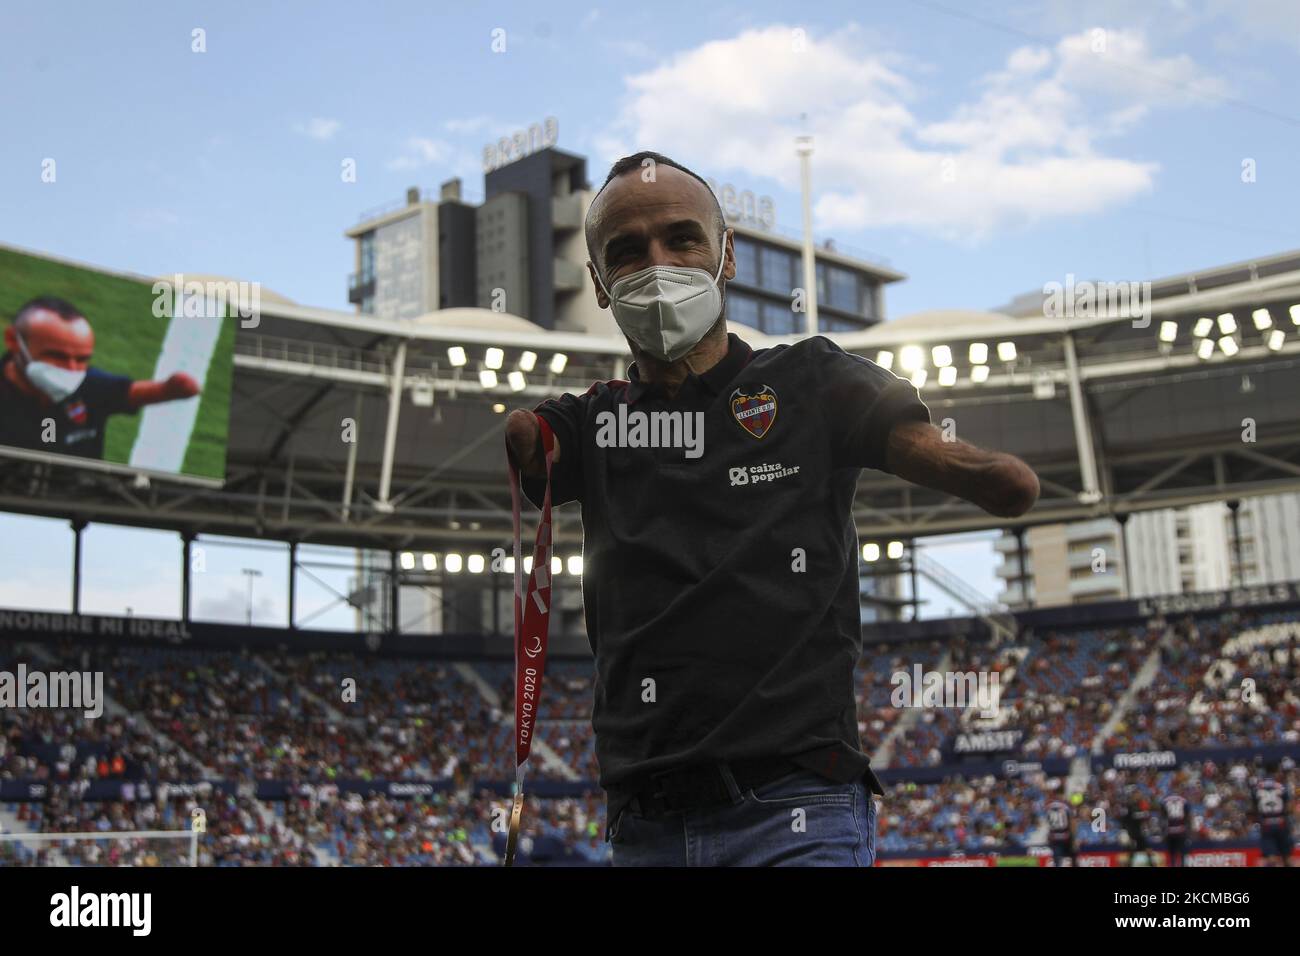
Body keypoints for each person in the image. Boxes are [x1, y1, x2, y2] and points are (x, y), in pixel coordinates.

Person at [505, 151, 1039, 867]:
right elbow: (536, 447)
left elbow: (929, 447)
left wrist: (976, 470)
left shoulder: (811, 382)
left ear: (726, 256)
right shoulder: (597, 421)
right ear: (599, 286)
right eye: (627, 252)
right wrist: (525, 437)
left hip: (796, 809)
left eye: (681, 238)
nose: (657, 264)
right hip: (645, 826)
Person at [0, 297, 200, 459]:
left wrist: (171, 389)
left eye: (82, 359)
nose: (71, 369)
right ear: (13, 341)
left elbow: (130, 393)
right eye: (57, 356)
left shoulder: (91, 386)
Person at [1252, 771, 1293, 867]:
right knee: (1286, 855)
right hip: (1281, 821)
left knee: (1271, 855)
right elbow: (1289, 806)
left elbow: (1255, 807)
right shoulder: (1281, 787)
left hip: (1266, 823)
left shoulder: (1257, 788)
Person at [1045, 797, 1077, 866]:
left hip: (1054, 838)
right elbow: (1072, 822)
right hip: (1065, 836)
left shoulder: (1049, 806)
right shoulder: (1066, 806)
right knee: (1073, 856)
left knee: (1057, 860)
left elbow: (1047, 822)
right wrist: (1074, 839)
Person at [1160, 791, 1188, 867]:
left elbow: (1163, 817)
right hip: (1180, 830)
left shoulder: (1165, 801)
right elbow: (1187, 817)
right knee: (1182, 853)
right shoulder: (1184, 801)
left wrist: (1163, 832)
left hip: (1170, 831)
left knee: (1172, 853)